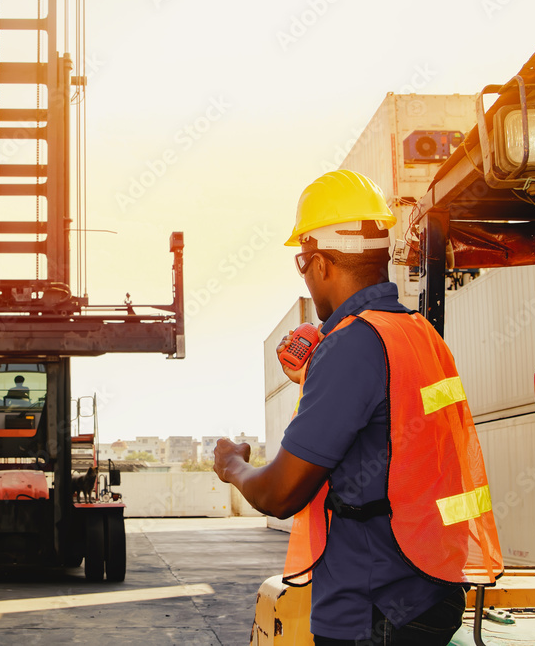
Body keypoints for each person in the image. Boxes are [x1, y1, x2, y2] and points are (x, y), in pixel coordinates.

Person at [214, 170, 502, 645]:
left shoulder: (351, 346)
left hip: (375, 608)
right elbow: (388, 435)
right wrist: (316, 376)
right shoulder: (416, 332)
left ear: (320, 263)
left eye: (302, 264)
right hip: (430, 591)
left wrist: (233, 465)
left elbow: (279, 494)